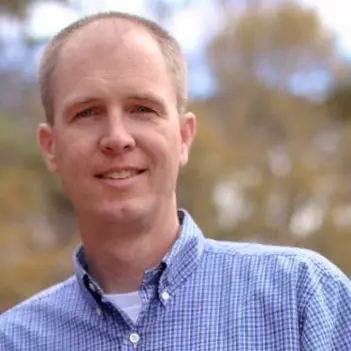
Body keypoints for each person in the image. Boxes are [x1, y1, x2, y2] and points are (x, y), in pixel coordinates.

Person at [1, 11, 351, 351]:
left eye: (142, 109)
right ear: (50, 148)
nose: (117, 137)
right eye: (87, 112)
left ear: (183, 136)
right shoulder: (14, 340)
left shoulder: (302, 299)